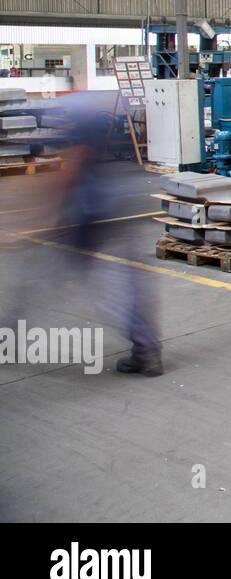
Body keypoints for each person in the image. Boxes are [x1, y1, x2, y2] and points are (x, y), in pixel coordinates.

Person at [53, 90, 163, 375]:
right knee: (127, 281)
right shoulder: (102, 130)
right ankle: (146, 346)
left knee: (109, 285)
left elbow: (73, 166)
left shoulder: (80, 130)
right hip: (116, 203)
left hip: (95, 213)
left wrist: (51, 211)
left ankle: (145, 348)